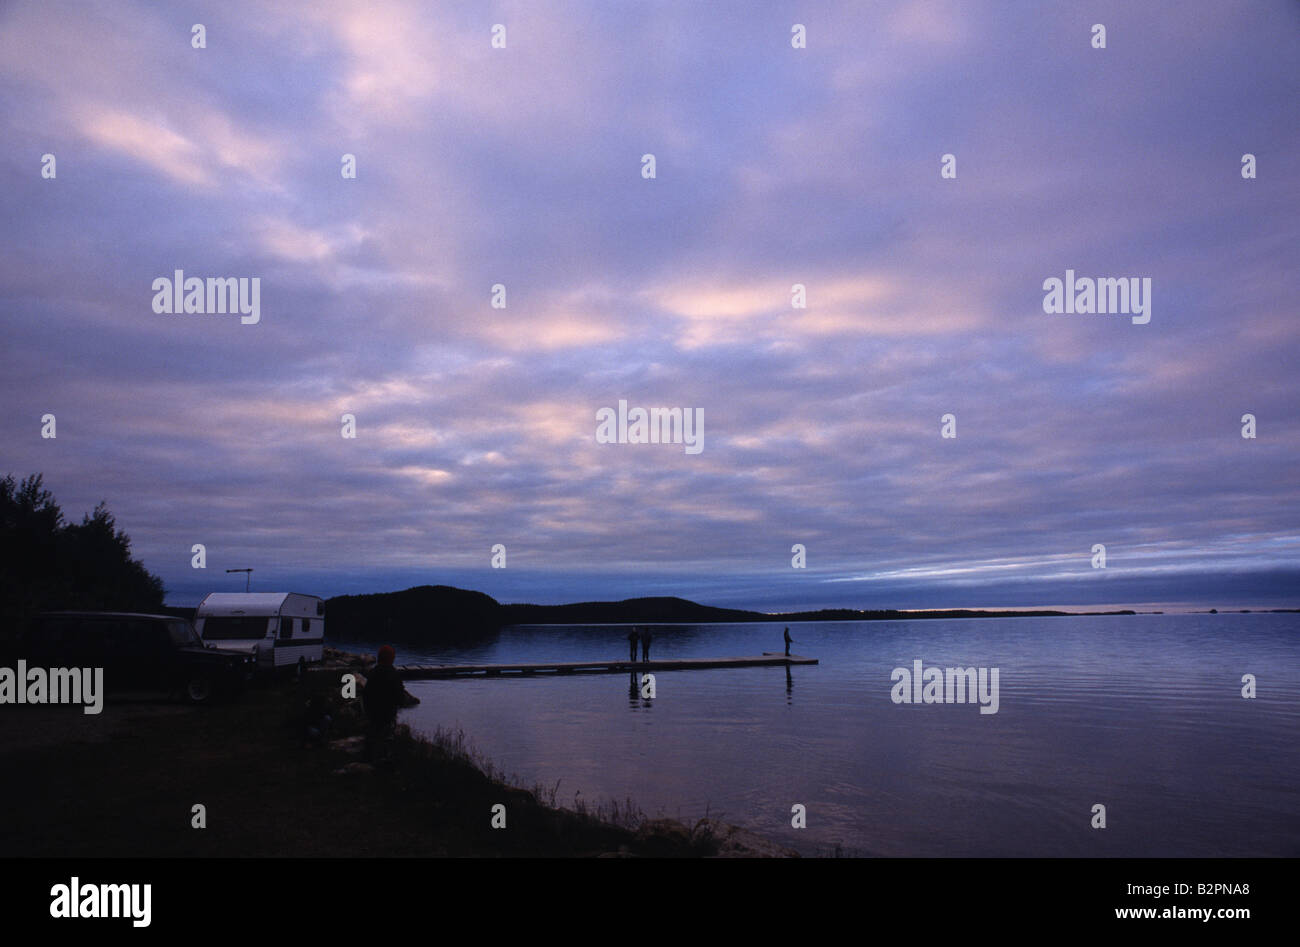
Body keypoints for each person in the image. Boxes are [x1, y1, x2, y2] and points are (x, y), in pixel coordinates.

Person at [361, 645, 412, 765]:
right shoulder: (393, 674)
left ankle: (369, 758)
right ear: (391, 658)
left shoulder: (374, 672)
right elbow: (399, 697)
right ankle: (382, 761)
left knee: (373, 735)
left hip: (372, 712)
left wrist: (367, 709)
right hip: (386, 714)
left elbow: (366, 694)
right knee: (385, 738)